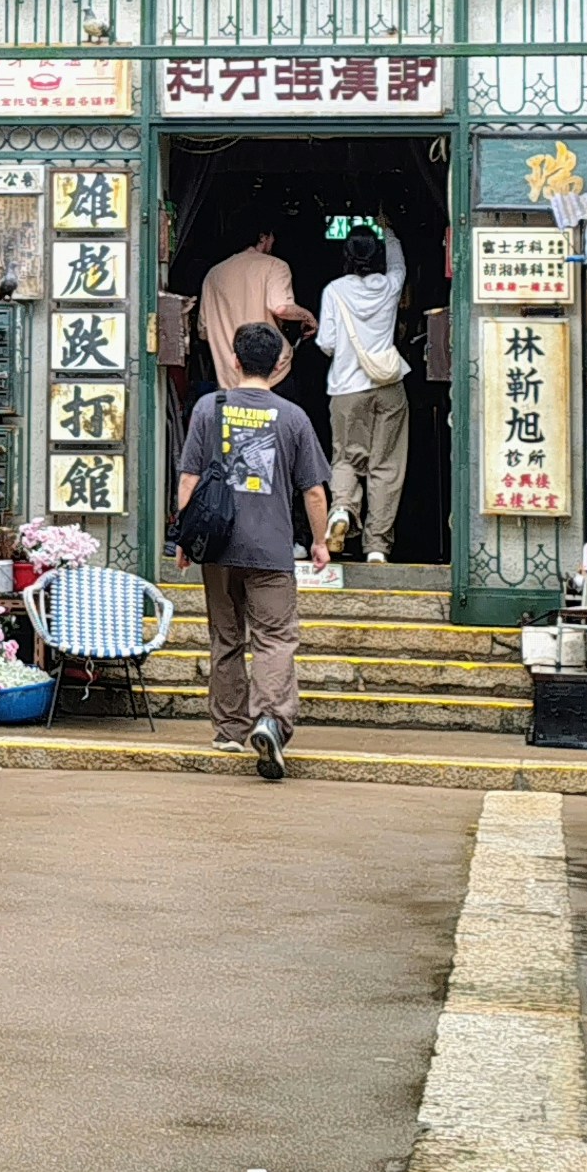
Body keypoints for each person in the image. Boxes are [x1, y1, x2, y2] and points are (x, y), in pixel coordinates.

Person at [174, 320, 331, 779]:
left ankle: (228, 729)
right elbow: (315, 491)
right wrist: (320, 543)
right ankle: (270, 720)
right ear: (279, 363)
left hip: (218, 548)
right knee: (275, 638)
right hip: (271, 550)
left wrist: (186, 539)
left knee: (226, 637)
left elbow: (188, 478)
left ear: (236, 360)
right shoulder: (294, 417)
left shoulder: (208, 407)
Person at [312, 223, 409, 564]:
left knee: (346, 458)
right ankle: (377, 547)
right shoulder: (390, 286)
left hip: (347, 389)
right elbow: (399, 267)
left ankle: (341, 510)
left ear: (346, 257)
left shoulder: (334, 291)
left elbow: (326, 343)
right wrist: (390, 232)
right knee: (387, 466)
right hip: (388, 386)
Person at [194, 227, 315, 393]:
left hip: (230, 382)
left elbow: (203, 332)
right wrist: (307, 316)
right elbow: (280, 308)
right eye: (272, 237)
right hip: (274, 376)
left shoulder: (214, 274)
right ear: (263, 238)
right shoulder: (275, 265)